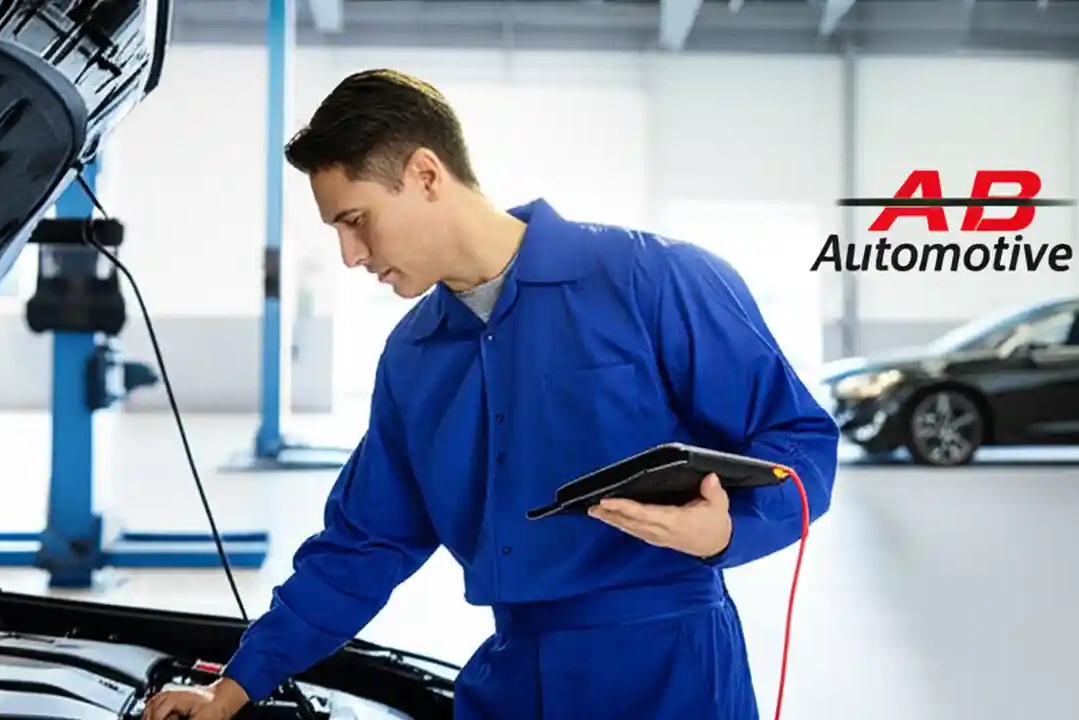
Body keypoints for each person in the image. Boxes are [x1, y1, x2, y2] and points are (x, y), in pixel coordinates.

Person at [143, 69, 839, 720]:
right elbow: (363, 543)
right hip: (512, 681)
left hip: (670, 673)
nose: (351, 256)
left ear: (424, 174)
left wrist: (728, 531)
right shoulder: (414, 357)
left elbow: (800, 441)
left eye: (355, 221)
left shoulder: (653, 281)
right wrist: (233, 687)